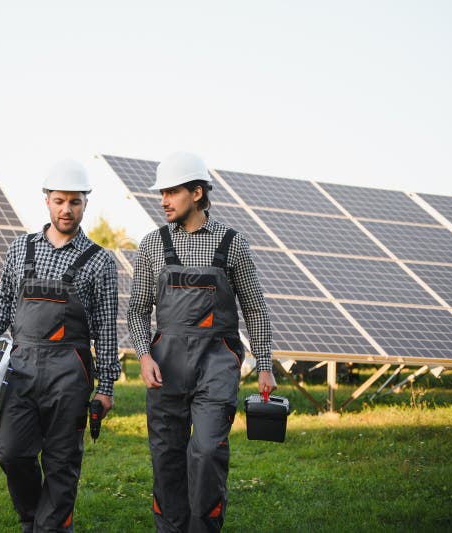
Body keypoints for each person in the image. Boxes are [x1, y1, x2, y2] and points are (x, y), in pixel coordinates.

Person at [128, 151, 277, 532]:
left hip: (217, 364)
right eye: (162, 193)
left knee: (208, 452)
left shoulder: (233, 243)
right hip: (166, 368)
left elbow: (256, 310)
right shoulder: (151, 245)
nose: (163, 201)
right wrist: (144, 357)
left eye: (172, 192)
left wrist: (264, 364)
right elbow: (137, 311)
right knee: (167, 459)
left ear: (197, 192)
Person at [0, 159, 120, 533]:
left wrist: (106, 387)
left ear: (85, 203)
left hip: (69, 372)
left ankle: (50, 527)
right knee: (10, 452)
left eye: (74, 202)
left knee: (61, 460)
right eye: (59, 201)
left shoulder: (100, 261)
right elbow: (3, 301)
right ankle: (34, 520)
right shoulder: (20, 249)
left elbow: (105, 328)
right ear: (46, 201)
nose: (66, 209)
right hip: (20, 365)